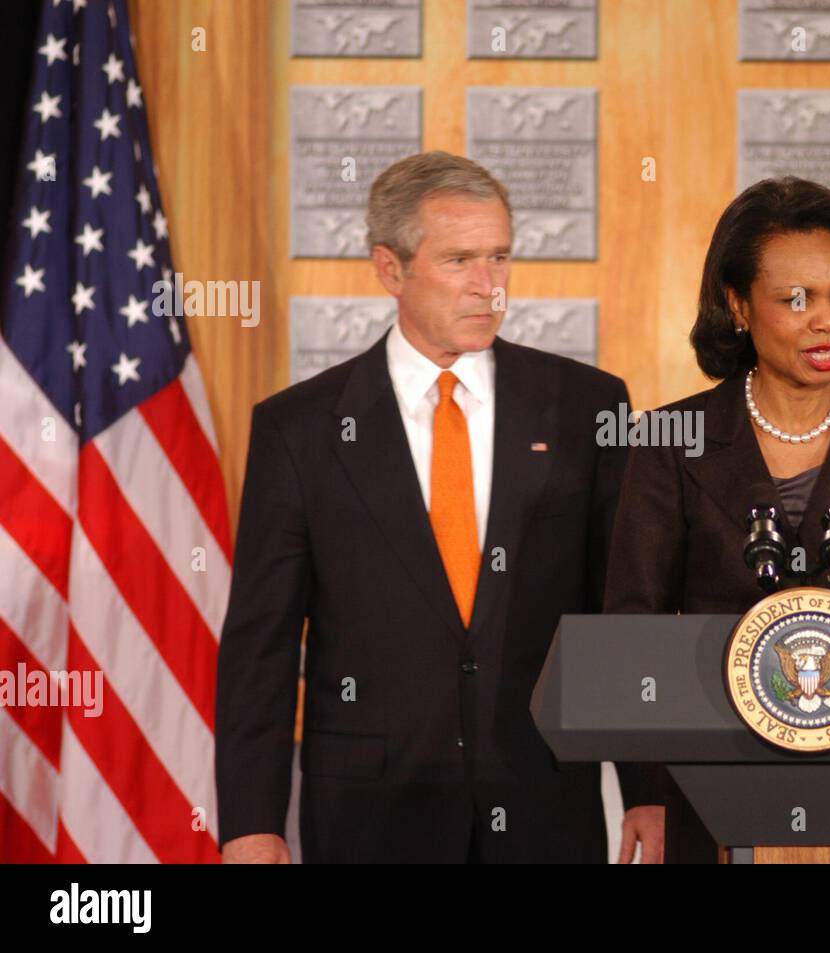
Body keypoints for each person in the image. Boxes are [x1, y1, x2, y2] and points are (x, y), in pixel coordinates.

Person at [216, 151, 631, 863]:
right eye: (459, 260)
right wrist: (250, 823)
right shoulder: (300, 428)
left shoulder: (588, 406)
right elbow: (263, 645)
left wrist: (647, 787)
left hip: (543, 808)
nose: (488, 286)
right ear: (390, 268)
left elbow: (620, 612)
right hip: (371, 814)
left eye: (500, 258)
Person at [607, 176, 830, 864]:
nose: (828, 319)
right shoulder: (670, 440)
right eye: (796, 299)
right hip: (710, 808)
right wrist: (654, 788)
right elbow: (634, 632)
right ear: (738, 305)